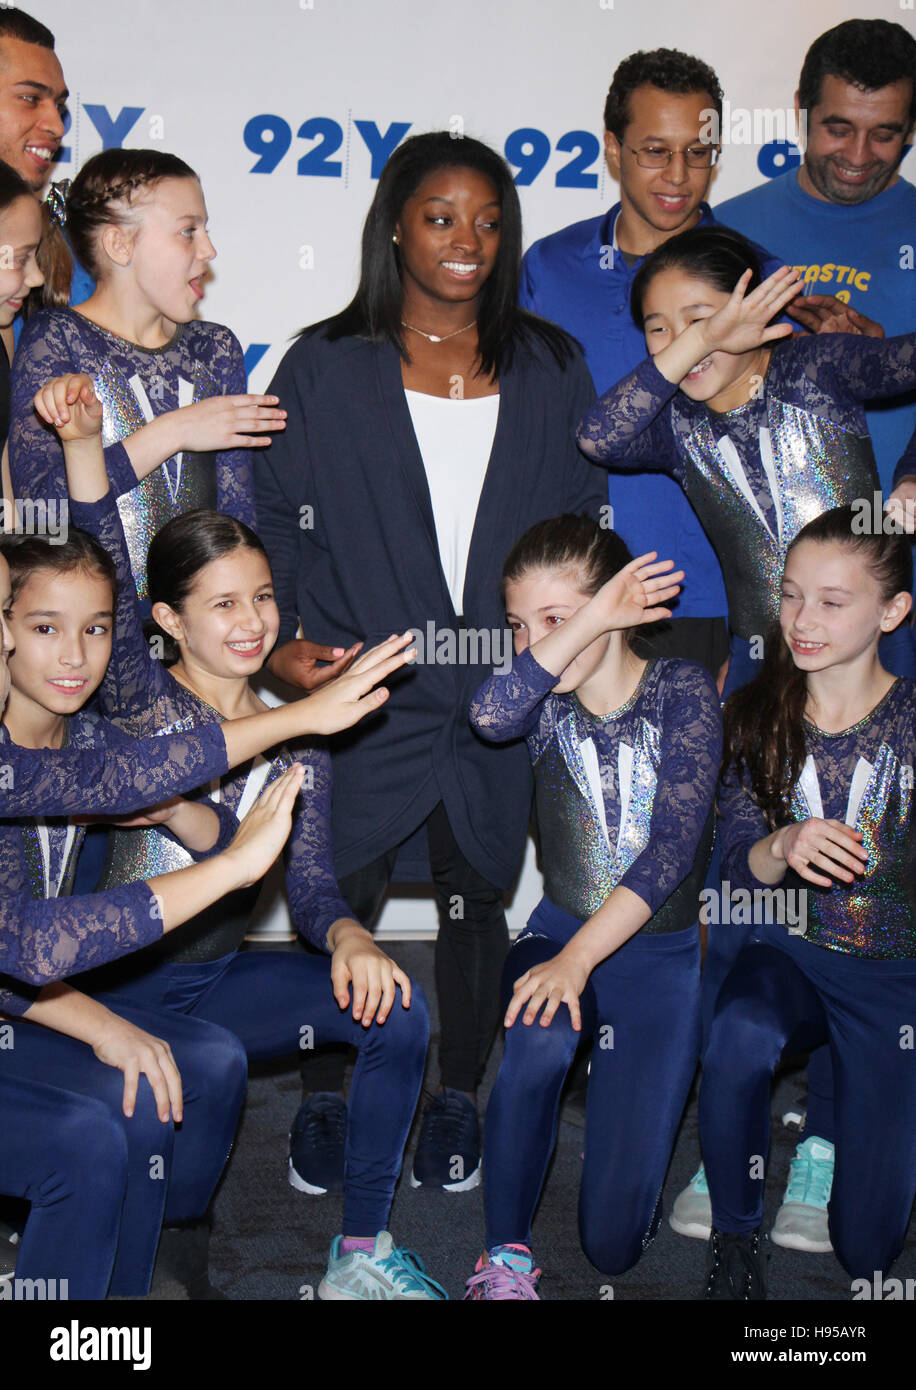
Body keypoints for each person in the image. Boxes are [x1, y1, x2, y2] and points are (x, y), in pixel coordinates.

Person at [27, 372, 443, 1301]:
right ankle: (175, 1230)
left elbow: (316, 887)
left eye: (261, 597)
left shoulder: (301, 728)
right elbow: (98, 550)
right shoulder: (134, 701)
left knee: (397, 1006)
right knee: (200, 1072)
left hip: (215, 982)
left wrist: (351, 936)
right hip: (109, 984)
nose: (253, 621)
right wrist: (85, 446)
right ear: (166, 622)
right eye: (222, 604)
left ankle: (360, 1255)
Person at [255, 131, 607, 1195]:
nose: (467, 241)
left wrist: (562, 652)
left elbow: (581, 523)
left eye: (489, 221)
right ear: (396, 224)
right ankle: (326, 1094)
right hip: (364, 691)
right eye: (442, 217)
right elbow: (273, 518)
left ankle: (458, 1085)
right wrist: (276, 649)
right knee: (338, 895)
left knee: (474, 900)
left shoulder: (548, 365)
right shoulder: (324, 364)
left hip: (498, 693)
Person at [519, 47, 871, 681]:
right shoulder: (550, 266)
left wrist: (765, 625)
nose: (678, 176)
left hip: (708, 598)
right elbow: (520, 430)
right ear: (612, 149)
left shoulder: (759, 277)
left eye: (698, 152)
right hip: (572, 595)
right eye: (655, 150)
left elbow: (793, 466)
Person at [461, 514, 720, 1297]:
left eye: (557, 618)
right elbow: (487, 714)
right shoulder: (541, 703)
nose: (536, 643)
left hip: (658, 960)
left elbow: (671, 852)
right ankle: (502, 1257)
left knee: (613, 1247)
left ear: (621, 607)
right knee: (539, 1036)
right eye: (519, 625)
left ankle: (621, 1136)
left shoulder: (682, 693)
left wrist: (584, 963)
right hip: (556, 933)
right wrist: (580, 627)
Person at [700, 506, 916, 1299]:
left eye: (833, 600)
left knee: (866, 1252)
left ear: (893, 611)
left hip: (892, 982)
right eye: (792, 595)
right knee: (737, 1032)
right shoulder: (755, 713)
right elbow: (730, 871)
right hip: (786, 953)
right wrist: (781, 843)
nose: (803, 620)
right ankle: (734, 1238)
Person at [7, 147, 285, 607]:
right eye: (188, 232)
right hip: (89, 640)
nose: (209, 250)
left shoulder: (214, 349)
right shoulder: (56, 339)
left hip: (197, 647)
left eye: (205, 230)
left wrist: (242, 616)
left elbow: (239, 522)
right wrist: (174, 431)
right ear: (120, 245)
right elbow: (44, 515)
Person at [714, 19, 916, 500]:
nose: (858, 155)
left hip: (894, 556)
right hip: (750, 553)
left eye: (884, 134)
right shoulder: (723, 231)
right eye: (839, 129)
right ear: (801, 111)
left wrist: (884, 365)